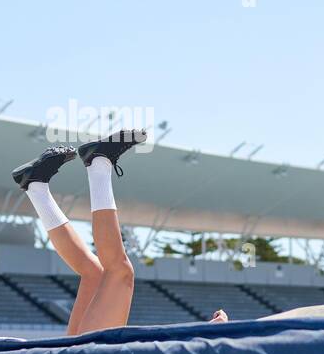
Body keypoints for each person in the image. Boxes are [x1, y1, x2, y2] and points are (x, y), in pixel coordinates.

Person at [14, 129, 230, 335]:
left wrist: (203, 333)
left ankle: (99, 162)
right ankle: (36, 186)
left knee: (120, 272)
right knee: (94, 273)